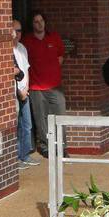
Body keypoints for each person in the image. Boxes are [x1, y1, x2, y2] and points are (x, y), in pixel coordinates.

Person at [21, 11, 66, 158]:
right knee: (41, 120)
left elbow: (60, 58)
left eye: (41, 21)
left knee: (60, 117)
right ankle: (45, 146)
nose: (39, 24)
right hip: (36, 88)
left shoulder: (54, 37)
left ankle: (62, 146)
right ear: (32, 24)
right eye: (36, 21)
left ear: (45, 22)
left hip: (55, 87)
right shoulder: (27, 41)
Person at [12, 19, 37, 167]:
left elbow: (26, 70)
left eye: (20, 30)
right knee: (15, 125)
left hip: (24, 91)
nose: (17, 34)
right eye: (15, 31)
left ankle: (25, 155)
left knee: (27, 125)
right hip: (14, 92)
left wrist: (26, 88)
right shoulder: (8, 50)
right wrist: (19, 91)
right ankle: (16, 157)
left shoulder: (22, 48)